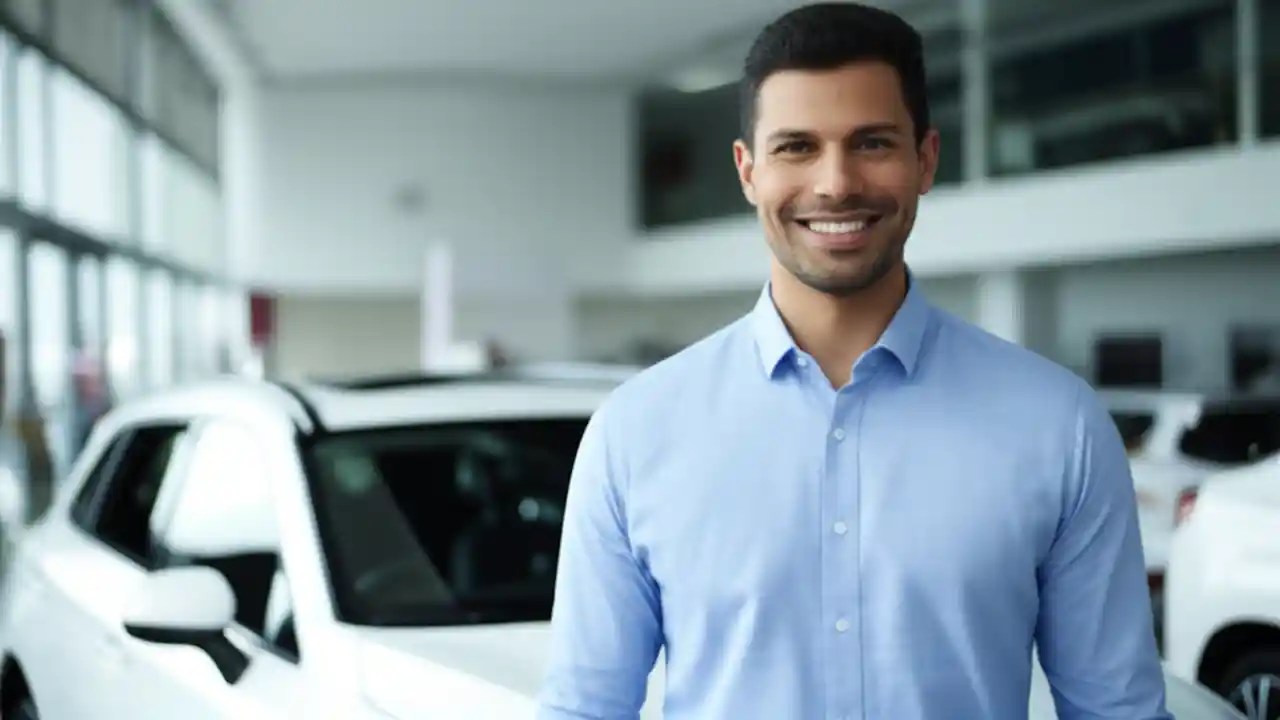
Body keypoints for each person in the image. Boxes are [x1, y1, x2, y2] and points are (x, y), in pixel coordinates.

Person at [538, 3, 1170, 720]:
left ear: (925, 158)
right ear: (748, 171)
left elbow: (1120, 712)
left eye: (871, 143)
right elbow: (583, 710)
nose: (835, 183)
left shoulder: (1059, 427)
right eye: (796, 147)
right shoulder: (634, 434)